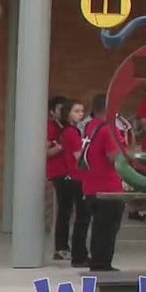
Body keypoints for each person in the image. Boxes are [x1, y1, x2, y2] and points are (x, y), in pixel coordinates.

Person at [81, 95, 125, 271]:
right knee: (108, 229)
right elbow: (113, 156)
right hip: (109, 187)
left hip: (90, 186)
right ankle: (103, 264)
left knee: (98, 227)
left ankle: (96, 261)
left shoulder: (90, 126)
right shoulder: (108, 129)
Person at [59, 100, 91, 267]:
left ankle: (80, 253)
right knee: (82, 218)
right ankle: (79, 255)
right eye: (76, 111)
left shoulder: (72, 132)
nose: (80, 114)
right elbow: (79, 156)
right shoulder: (71, 132)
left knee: (81, 217)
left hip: (75, 177)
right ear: (68, 113)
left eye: (82, 111)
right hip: (77, 178)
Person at [46, 95, 73, 261]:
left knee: (69, 210)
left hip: (71, 172)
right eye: (60, 109)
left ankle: (66, 245)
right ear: (52, 112)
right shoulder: (51, 127)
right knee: (63, 210)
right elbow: (47, 151)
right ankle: (60, 247)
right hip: (58, 172)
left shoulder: (70, 127)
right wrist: (62, 145)